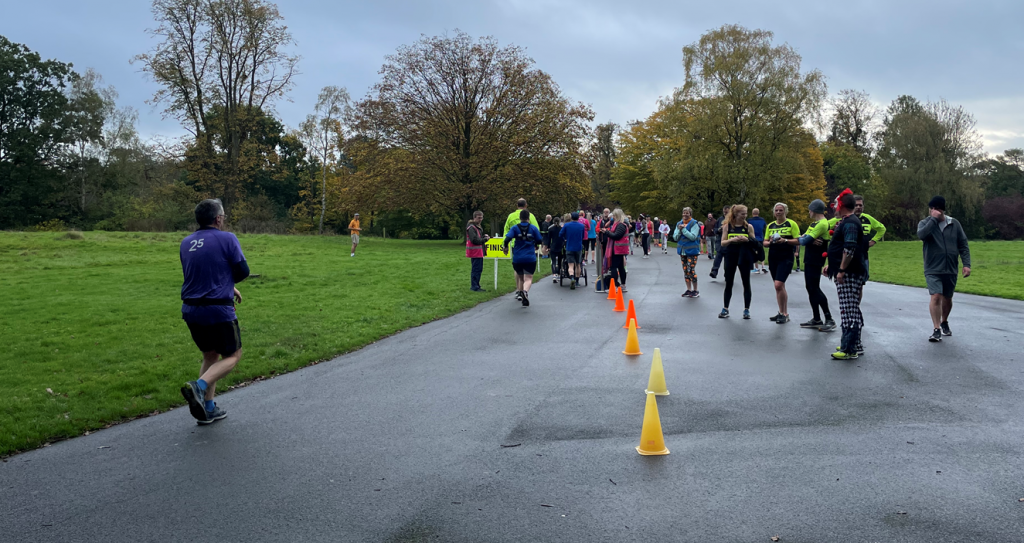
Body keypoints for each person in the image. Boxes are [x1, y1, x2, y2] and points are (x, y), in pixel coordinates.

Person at [179, 199, 249, 425]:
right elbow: (242, 271)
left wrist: (228, 285)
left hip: (191, 310)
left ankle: (208, 408)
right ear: (218, 218)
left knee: (210, 355)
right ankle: (197, 387)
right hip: (217, 310)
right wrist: (229, 284)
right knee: (233, 355)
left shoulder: (186, 243)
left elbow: (201, 274)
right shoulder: (228, 238)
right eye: (224, 216)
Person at [917, 196, 971, 343]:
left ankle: (944, 321)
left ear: (942, 210)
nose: (933, 211)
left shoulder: (954, 224)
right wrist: (933, 220)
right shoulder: (925, 223)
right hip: (933, 268)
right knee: (936, 296)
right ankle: (936, 329)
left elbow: (963, 244)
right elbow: (922, 235)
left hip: (951, 268)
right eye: (931, 209)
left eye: (936, 209)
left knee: (947, 298)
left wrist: (966, 264)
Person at [826, 189, 869, 360]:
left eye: (836, 205)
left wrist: (842, 270)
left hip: (850, 273)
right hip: (848, 271)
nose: (834, 207)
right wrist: (832, 266)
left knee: (848, 310)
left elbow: (849, 249)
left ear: (842, 205)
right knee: (851, 308)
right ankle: (853, 343)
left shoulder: (850, 223)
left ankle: (849, 348)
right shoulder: (848, 221)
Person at [794, 199, 835, 331]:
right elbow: (804, 237)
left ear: (814, 210)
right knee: (810, 288)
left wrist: (806, 239)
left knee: (814, 288)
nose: (809, 212)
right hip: (809, 258)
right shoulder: (814, 224)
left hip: (816, 259)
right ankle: (816, 318)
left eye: (810, 210)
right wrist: (806, 239)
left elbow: (804, 240)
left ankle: (829, 318)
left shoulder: (822, 224)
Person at [764, 203, 801, 324]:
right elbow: (764, 242)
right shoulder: (770, 225)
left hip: (786, 257)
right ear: (774, 212)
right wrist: (769, 242)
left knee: (778, 285)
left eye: (781, 210)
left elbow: (798, 240)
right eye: (776, 210)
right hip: (773, 257)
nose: (778, 212)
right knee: (779, 286)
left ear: (785, 211)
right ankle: (782, 312)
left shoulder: (791, 223)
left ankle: (784, 313)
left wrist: (784, 240)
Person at [719, 205, 757, 319]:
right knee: (729, 282)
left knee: (746, 283)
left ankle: (746, 309)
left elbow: (755, 242)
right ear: (735, 214)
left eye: (746, 213)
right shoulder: (727, 226)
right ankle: (725, 308)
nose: (745, 216)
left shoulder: (748, 227)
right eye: (742, 214)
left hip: (744, 256)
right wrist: (732, 239)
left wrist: (747, 240)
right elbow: (723, 243)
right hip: (731, 255)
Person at [503, 209, 542, 306]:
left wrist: (505, 247)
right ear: (528, 218)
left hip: (518, 258)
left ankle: (520, 293)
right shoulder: (533, 228)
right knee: (528, 278)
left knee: (521, 278)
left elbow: (507, 238)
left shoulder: (515, 228)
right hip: (529, 257)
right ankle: (525, 292)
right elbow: (539, 240)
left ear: (520, 218)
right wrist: (536, 244)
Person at [674, 207, 701, 298]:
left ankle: (695, 290)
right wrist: (679, 230)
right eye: (684, 213)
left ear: (690, 214)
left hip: (692, 251)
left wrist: (683, 230)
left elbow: (693, 237)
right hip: (682, 251)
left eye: (687, 213)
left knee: (691, 270)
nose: (685, 215)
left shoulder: (694, 224)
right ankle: (689, 290)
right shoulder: (679, 223)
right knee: (685, 270)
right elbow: (675, 237)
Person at [560, 211, 587, 290]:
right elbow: (583, 236)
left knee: (570, 265)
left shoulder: (567, 225)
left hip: (569, 246)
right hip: (578, 247)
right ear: (578, 218)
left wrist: (565, 239)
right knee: (578, 264)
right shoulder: (581, 226)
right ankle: (577, 281)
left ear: (571, 217)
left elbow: (560, 234)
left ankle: (572, 278)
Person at [606, 208, 631, 292]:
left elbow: (617, 236)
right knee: (621, 267)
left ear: (617, 215)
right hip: (620, 248)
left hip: (618, 248)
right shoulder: (621, 224)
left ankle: (615, 286)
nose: (612, 217)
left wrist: (607, 233)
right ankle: (623, 285)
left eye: (613, 215)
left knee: (613, 267)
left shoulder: (620, 225)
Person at [466, 211, 490, 292]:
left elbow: (477, 237)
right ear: (474, 217)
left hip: (478, 251)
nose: (480, 219)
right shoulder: (472, 227)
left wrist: (483, 237)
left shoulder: (476, 227)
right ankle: (474, 286)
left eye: (481, 217)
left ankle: (477, 285)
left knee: (478, 269)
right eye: (479, 218)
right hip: (475, 252)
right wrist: (484, 239)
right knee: (476, 269)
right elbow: (474, 240)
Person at [710, 206, 730, 278]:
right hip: (720, 241)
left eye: (727, 212)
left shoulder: (733, 220)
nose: (725, 213)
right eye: (724, 212)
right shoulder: (720, 219)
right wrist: (719, 229)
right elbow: (715, 230)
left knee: (727, 259)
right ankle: (714, 271)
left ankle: (727, 273)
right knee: (718, 257)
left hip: (728, 242)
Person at [748, 208, 768, 274]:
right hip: (761, 238)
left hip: (753, 238)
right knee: (761, 251)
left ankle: (756, 268)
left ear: (752, 213)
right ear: (758, 213)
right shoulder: (762, 220)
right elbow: (766, 227)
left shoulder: (749, 220)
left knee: (754, 252)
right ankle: (763, 266)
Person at [548, 217, 563, 283]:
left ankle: (554, 275)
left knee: (553, 261)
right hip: (560, 246)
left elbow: (549, 239)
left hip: (553, 246)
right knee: (559, 261)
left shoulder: (550, 229)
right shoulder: (561, 229)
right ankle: (559, 274)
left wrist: (548, 247)